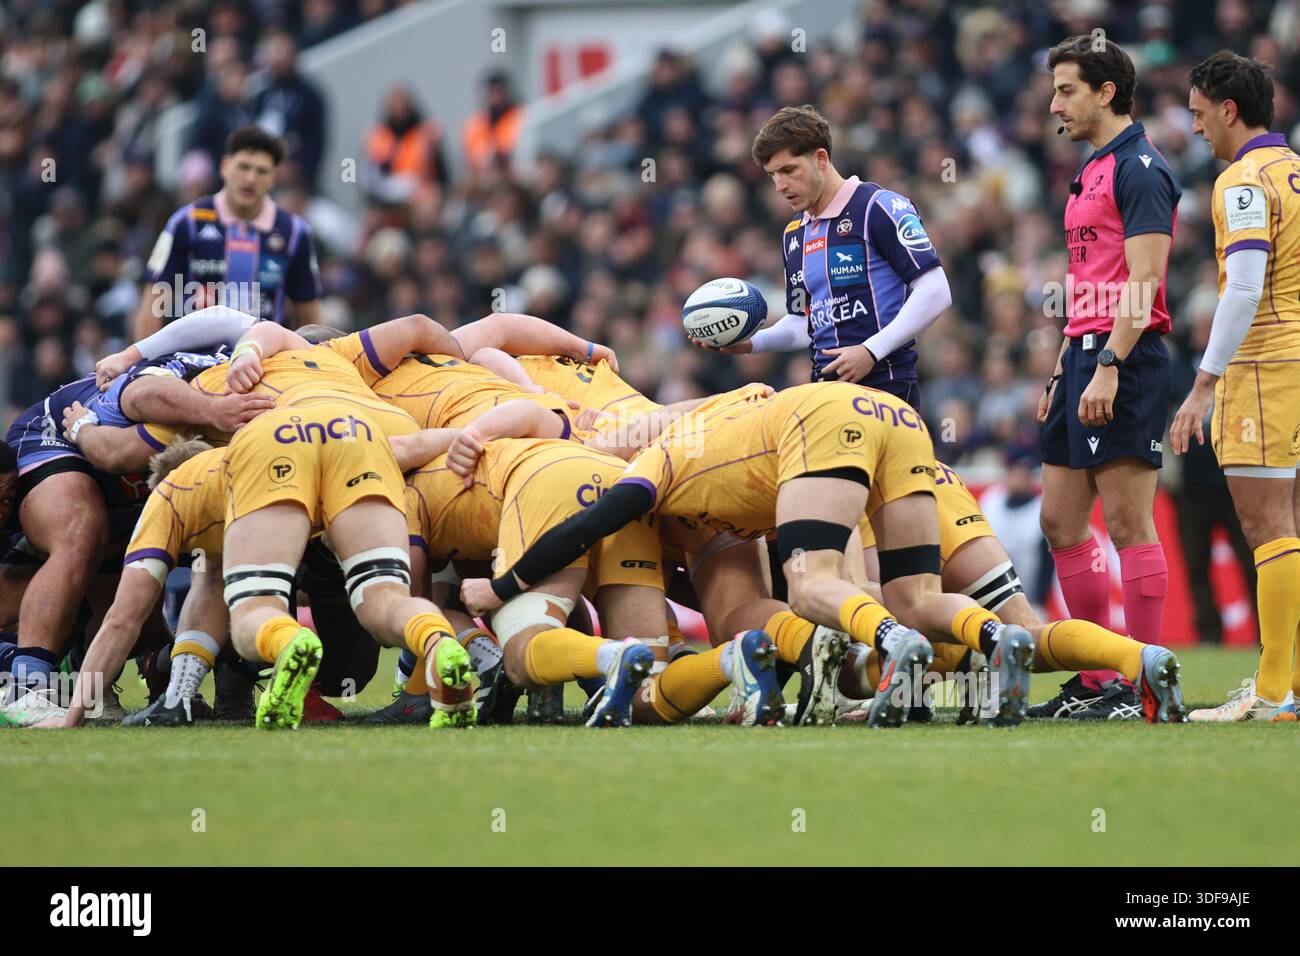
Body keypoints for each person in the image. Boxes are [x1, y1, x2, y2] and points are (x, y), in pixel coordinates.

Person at [1035, 35, 1181, 719]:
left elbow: (1145, 280)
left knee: (1127, 522)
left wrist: (1109, 366)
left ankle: (1146, 686)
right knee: (1061, 522)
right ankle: (1099, 679)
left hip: (1128, 357)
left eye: (1066, 89)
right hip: (1085, 355)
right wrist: (1066, 367)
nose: (1054, 102)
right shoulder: (1091, 168)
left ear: (1106, 93)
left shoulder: (1142, 168)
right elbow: (1089, 280)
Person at [1171, 51, 1300, 721]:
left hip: (1264, 368)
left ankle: (1276, 691)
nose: (1195, 129)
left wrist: (1203, 384)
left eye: (1198, 114)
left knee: (1267, 528)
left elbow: (1246, 285)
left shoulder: (1244, 181)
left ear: (1228, 109)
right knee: (1293, 527)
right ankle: (1289, 684)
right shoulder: (1296, 171)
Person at [702, 105, 953, 410]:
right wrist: (753, 343)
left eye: (788, 170)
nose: (779, 186)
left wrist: (871, 350)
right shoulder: (794, 234)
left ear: (820, 158)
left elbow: (936, 290)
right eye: (772, 175)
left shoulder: (879, 208)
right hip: (826, 394)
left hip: (887, 387)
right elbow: (803, 322)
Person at [133, 125, 323, 339]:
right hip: (193, 358)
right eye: (243, 167)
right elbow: (153, 303)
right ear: (225, 167)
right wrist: (142, 364)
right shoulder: (186, 223)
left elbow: (310, 317)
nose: (251, 178)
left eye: (261, 171)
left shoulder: (296, 233)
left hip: (263, 360)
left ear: (273, 178)